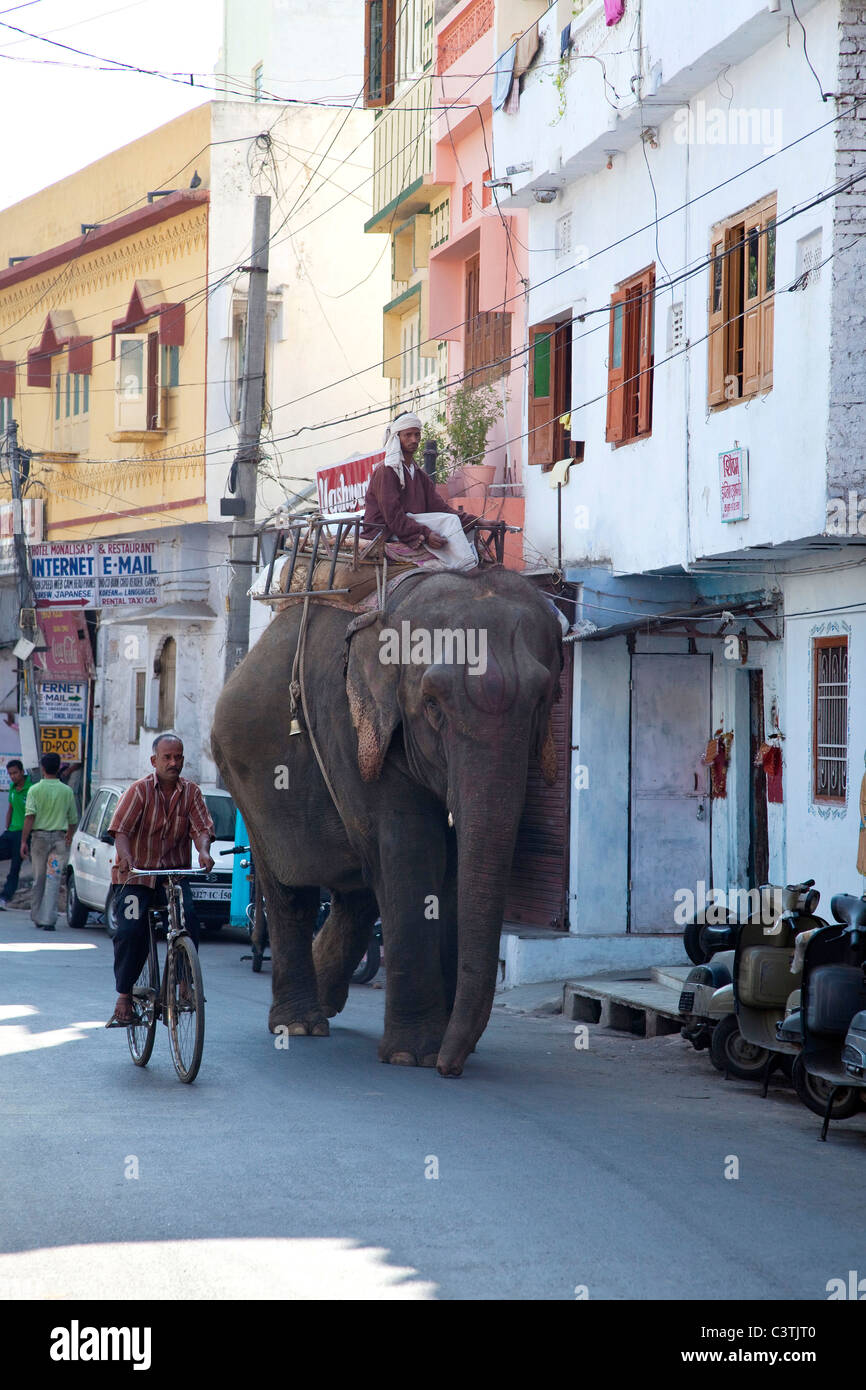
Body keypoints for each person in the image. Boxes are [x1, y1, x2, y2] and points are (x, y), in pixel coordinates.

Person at [104, 733, 214, 1028]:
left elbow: (202, 829)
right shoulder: (138, 791)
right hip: (135, 878)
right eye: (167, 757)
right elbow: (121, 831)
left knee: (188, 921)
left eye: (178, 757)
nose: (173, 762)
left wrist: (203, 851)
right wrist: (125, 857)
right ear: (154, 761)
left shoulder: (191, 793)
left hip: (172, 877)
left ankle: (183, 986)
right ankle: (124, 997)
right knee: (130, 932)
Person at [362, 412, 478, 571]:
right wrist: (424, 534)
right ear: (397, 438)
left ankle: (466, 562)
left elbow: (439, 507)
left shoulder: (419, 473)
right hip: (385, 529)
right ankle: (467, 568)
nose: (414, 440)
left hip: (410, 521)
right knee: (449, 522)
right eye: (408, 435)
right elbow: (393, 515)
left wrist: (475, 521)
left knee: (455, 522)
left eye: (417, 435)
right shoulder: (386, 471)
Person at [20, 752, 79, 931]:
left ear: (43, 768)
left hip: (39, 840)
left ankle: (37, 916)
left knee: (39, 878)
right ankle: (49, 920)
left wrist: (23, 841)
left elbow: (29, 817)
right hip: (59, 841)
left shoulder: (35, 790)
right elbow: (73, 819)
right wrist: (69, 834)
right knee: (53, 878)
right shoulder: (66, 791)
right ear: (59, 767)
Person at [0, 759, 32, 909]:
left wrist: (26, 838)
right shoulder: (13, 787)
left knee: (14, 867)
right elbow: (11, 808)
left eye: (15, 773)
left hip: (23, 833)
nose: (12, 776)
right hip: (11, 832)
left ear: (21, 772)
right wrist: (7, 826)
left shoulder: (31, 788)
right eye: (10, 774)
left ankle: (5, 897)